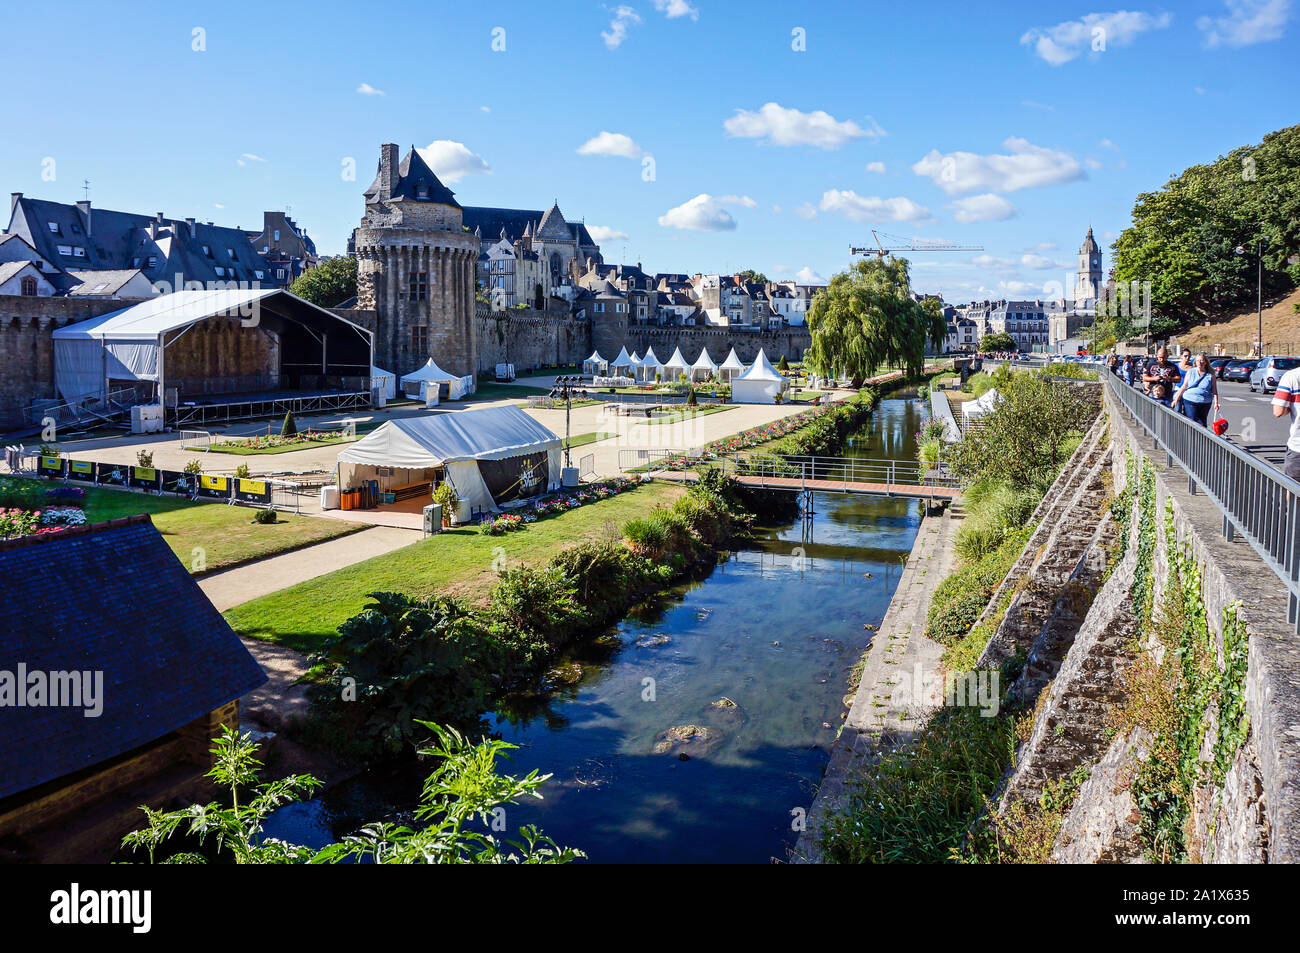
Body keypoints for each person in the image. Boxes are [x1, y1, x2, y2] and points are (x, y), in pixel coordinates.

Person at [1173, 352, 1219, 428]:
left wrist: (1216, 403)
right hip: (1190, 400)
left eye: (1202, 360)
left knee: (1203, 422)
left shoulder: (1210, 375)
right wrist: (1176, 400)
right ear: (1195, 362)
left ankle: (1202, 439)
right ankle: (1192, 437)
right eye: (1198, 360)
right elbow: (1184, 386)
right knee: (1193, 420)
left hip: (1205, 402)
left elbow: (1214, 390)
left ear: (1205, 362)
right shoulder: (1191, 372)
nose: (1200, 362)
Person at [1272, 361, 1300, 482]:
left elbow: (1278, 411)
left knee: (1293, 490)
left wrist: (1292, 407)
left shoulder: (1292, 376)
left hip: (1298, 447)